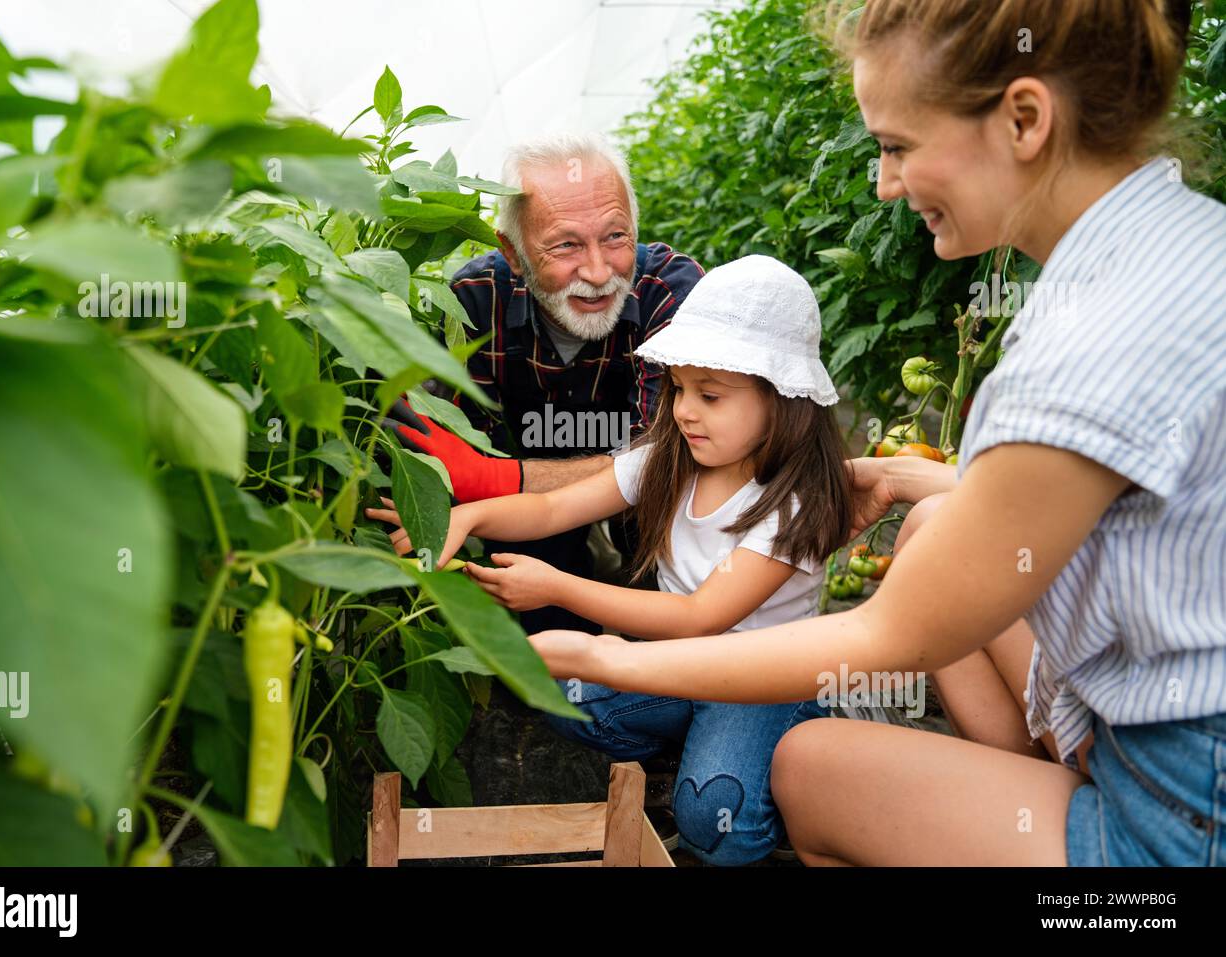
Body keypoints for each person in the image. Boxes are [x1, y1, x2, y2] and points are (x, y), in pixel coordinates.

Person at [525, 0, 1226, 866]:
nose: (885, 183)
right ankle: (1013, 780)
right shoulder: (1188, 248)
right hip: (1184, 739)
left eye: (897, 146)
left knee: (813, 766)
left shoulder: (1082, 346)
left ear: (1025, 120)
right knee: (937, 527)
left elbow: (881, 636)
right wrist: (926, 482)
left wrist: (608, 656)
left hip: (1175, 826)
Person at [368, 256, 854, 865]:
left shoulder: (790, 504)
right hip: (682, 667)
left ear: (783, 400)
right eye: (678, 388)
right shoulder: (670, 460)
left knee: (712, 821)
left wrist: (558, 588)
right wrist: (465, 516)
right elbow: (551, 512)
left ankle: (782, 765)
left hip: (762, 683)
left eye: (710, 395)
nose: (684, 411)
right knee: (557, 695)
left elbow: (700, 616)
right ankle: (705, 739)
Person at [388, 132, 705, 636]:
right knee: (555, 640)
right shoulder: (473, 300)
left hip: (647, 496)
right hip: (536, 498)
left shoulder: (670, 291)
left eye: (616, 237)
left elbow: (678, 455)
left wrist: (496, 479)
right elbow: (441, 445)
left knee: (671, 568)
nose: (599, 272)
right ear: (513, 254)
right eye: (566, 246)